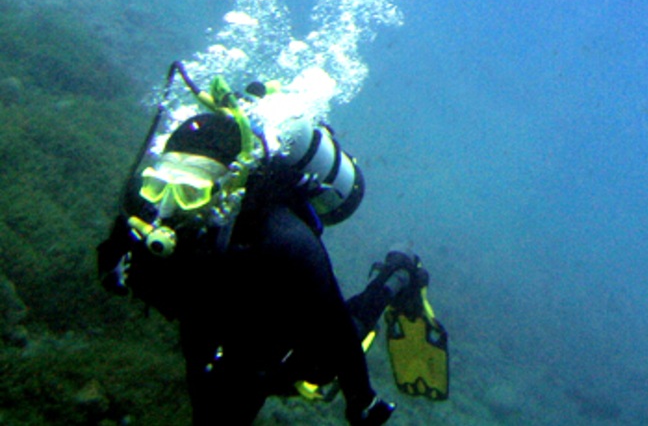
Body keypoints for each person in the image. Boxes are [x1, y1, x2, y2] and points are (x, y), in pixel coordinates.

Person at [96, 63, 423, 425]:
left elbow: (337, 329)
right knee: (205, 382)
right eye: (159, 185)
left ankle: (396, 276)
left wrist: (361, 400)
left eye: (190, 193)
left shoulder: (285, 242)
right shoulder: (147, 208)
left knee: (317, 366)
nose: (168, 206)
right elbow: (113, 251)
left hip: (274, 320)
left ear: (226, 190)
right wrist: (114, 265)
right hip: (207, 312)